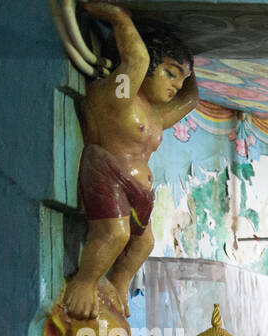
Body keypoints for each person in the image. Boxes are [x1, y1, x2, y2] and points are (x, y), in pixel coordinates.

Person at [62, 4, 197, 318]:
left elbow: (191, 100)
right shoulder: (118, 93)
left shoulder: (156, 114)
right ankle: (85, 281)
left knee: (143, 244)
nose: (176, 85)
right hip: (107, 171)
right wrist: (117, 16)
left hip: (139, 189)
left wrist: (190, 68)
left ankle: (118, 282)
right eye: (170, 73)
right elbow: (138, 58)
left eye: (179, 78)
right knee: (115, 235)